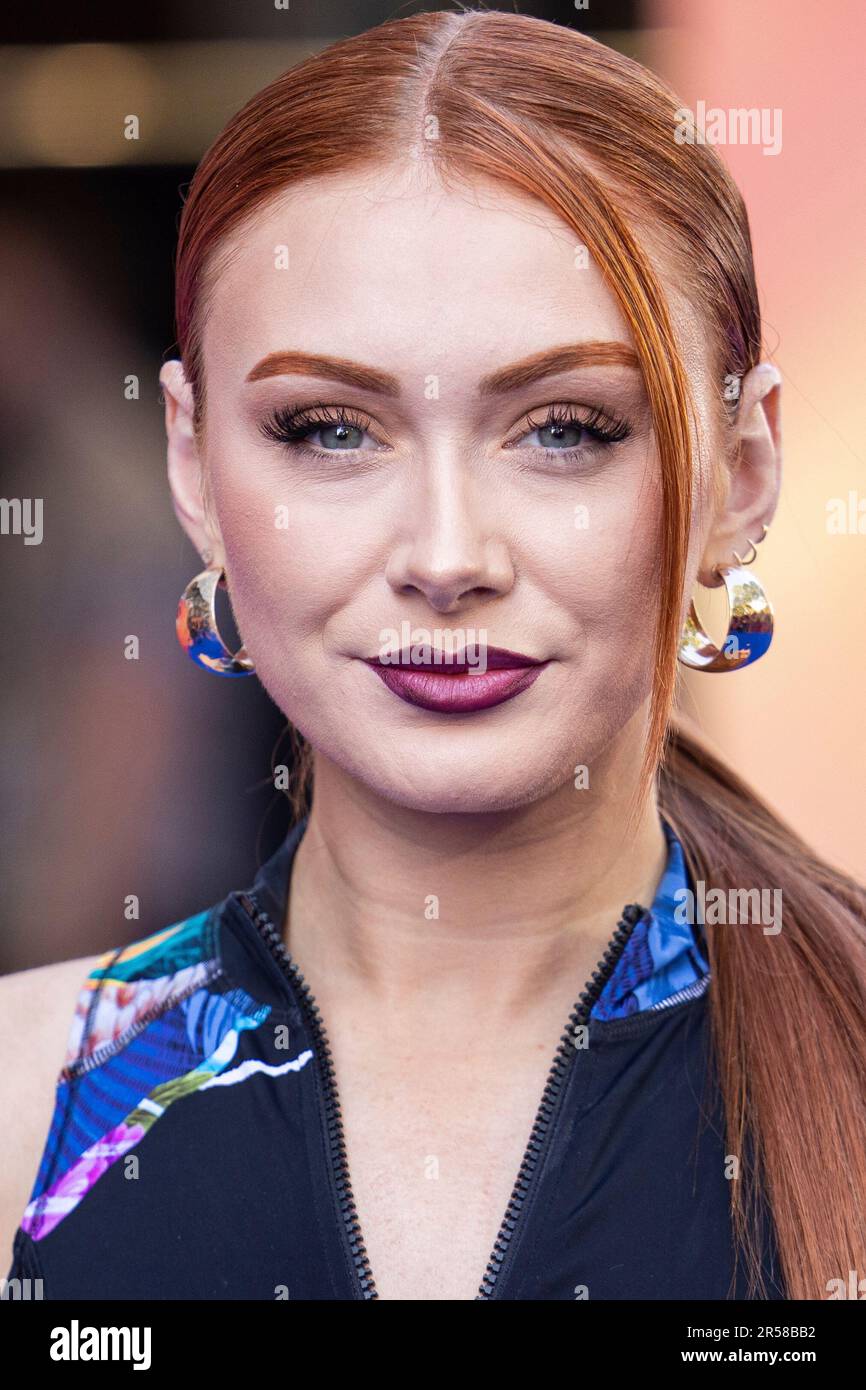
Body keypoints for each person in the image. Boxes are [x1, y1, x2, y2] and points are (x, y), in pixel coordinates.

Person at [3, 7, 865, 1302]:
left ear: (740, 473)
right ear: (191, 462)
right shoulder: (20, 1109)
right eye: (329, 430)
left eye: (566, 427)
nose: (446, 552)